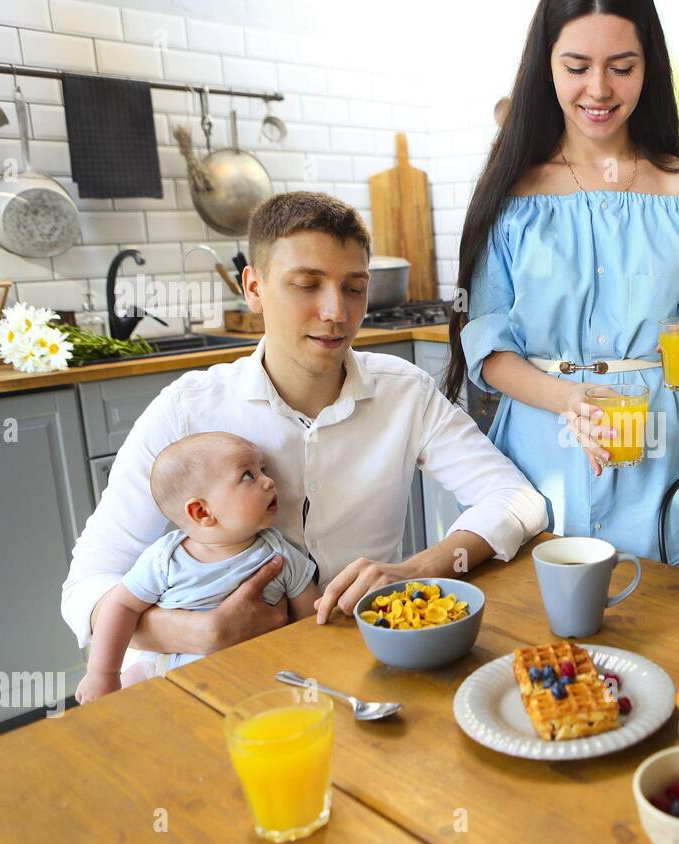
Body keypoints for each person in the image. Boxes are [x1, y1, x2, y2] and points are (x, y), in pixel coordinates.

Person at [61, 192, 547, 674]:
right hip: (205, 675)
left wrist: (421, 568)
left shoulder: (404, 393)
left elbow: (515, 498)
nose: (336, 312)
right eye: (307, 285)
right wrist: (199, 631)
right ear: (254, 287)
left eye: (354, 287)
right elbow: (87, 583)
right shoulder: (187, 409)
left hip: (358, 660)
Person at [442, 0, 679, 563]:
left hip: (656, 445)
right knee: (537, 624)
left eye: (622, 67)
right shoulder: (513, 196)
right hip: (540, 446)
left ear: (649, 68)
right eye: (576, 67)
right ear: (545, 67)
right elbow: (486, 347)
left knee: (656, 622)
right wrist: (569, 399)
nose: (598, 90)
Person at [75, 433, 318, 703]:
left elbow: (313, 623)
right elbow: (121, 606)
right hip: (162, 672)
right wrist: (103, 674)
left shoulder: (278, 553)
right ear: (202, 512)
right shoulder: (165, 559)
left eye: (263, 470)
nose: (268, 481)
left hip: (251, 680)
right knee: (128, 703)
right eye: (248, 476)